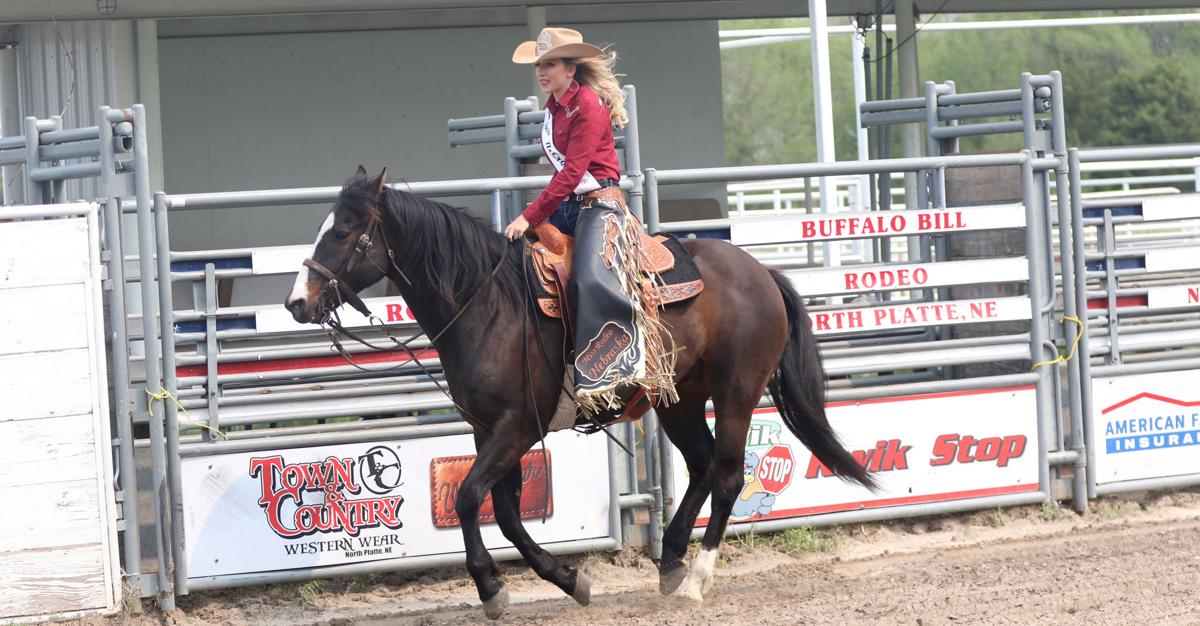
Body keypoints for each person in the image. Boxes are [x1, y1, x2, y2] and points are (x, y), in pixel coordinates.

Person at [506, 27, 676, 417]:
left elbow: (572, 173)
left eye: (549, 65)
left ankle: (609, 374)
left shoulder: (588, 106)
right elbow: (565, 181)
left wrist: (529, 214)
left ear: (570, 69)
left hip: (601, 203)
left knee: (588, 278)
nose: (541, 72)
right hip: (571, 204)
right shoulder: (553, 108)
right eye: (539, 65)